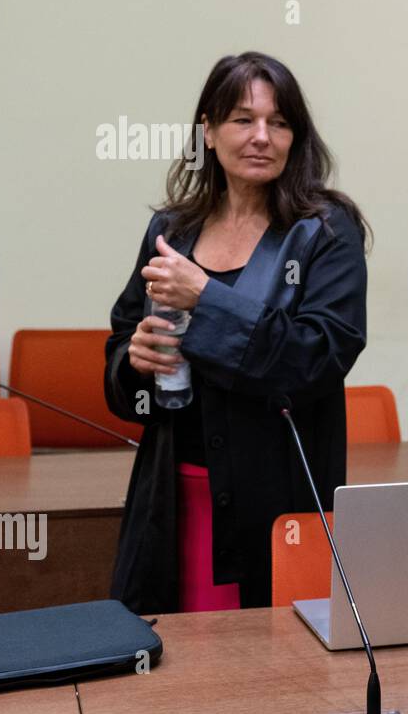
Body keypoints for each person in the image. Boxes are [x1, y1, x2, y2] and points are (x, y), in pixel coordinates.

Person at [104, 51, 370, 614]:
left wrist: (206, 299)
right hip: (173, 496)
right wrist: (136, 360)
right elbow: (122, 348)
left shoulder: (324, 230)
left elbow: (319, 356)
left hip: (277, 505)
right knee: (167, 677)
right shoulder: (171, 230)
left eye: (278, 122)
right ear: (208, 131)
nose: (261, 137)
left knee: (273, 684)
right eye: (242, 120)